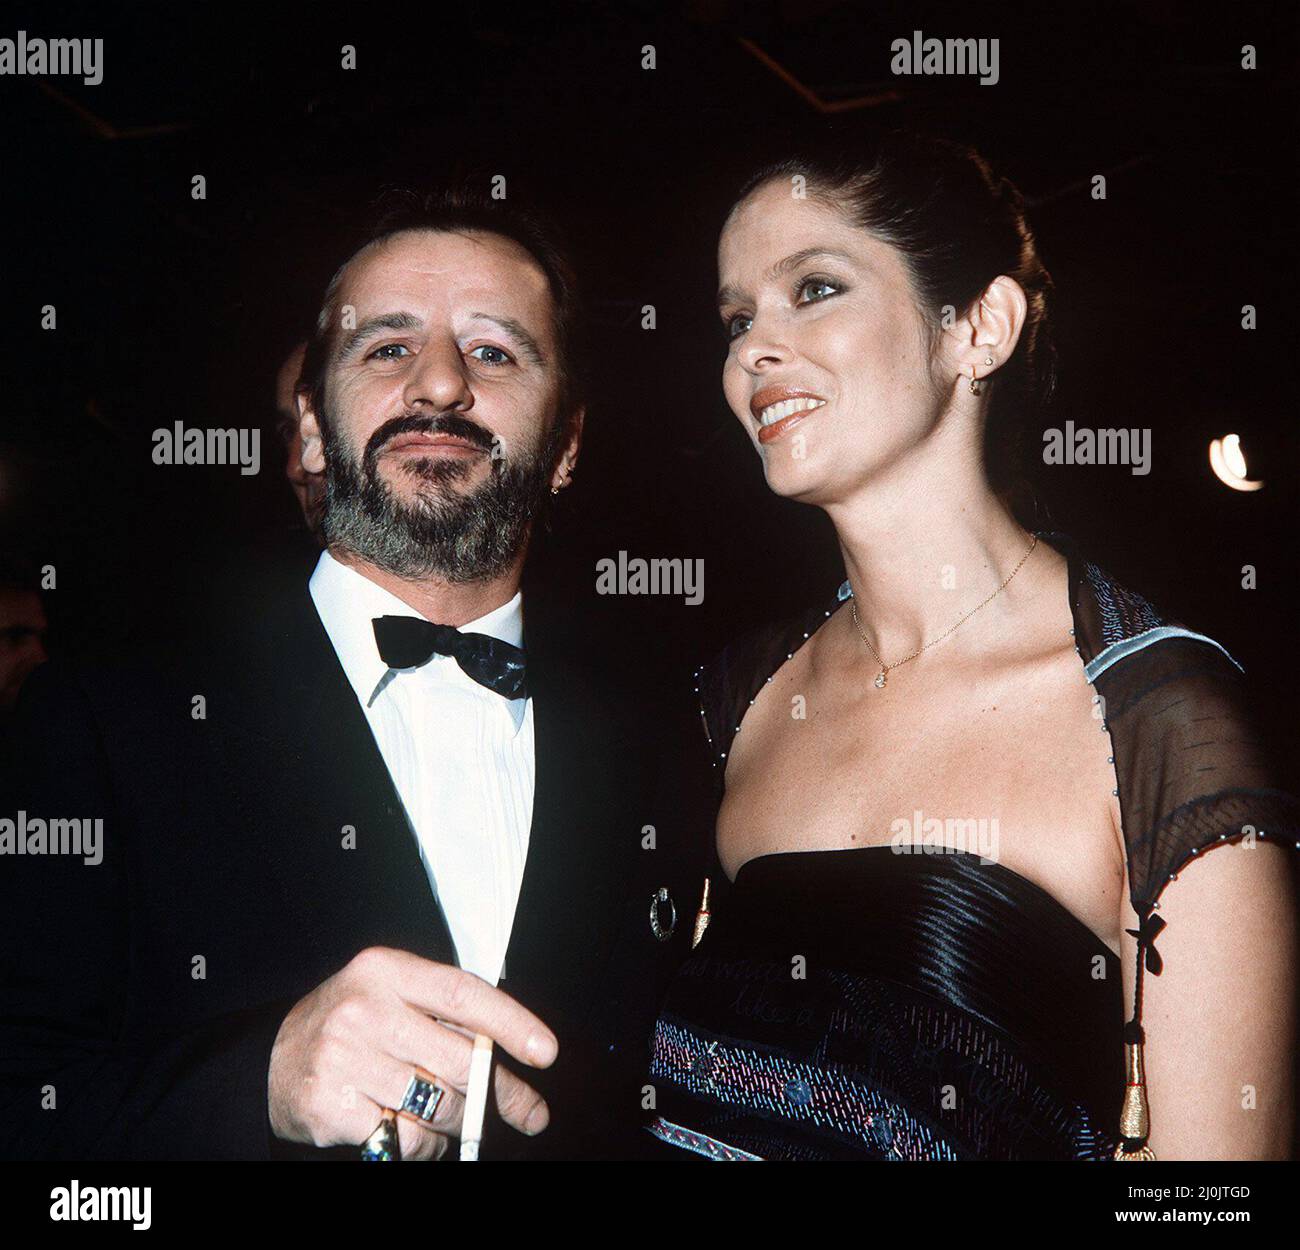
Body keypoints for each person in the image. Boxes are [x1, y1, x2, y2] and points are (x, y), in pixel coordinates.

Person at [645, 129, 1299, 1161]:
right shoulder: (741, 694)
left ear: (977, 327)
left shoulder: (1155, 715)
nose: (750, 351)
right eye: (736, 317)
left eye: (813, 287)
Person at [0, 187, 667, 1161]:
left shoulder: (665, 742)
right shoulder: (104, 722)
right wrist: (255, 1082)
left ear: (566, 444)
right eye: (387, 346)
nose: (439, 382)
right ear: (310, 428)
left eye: (493, 350)